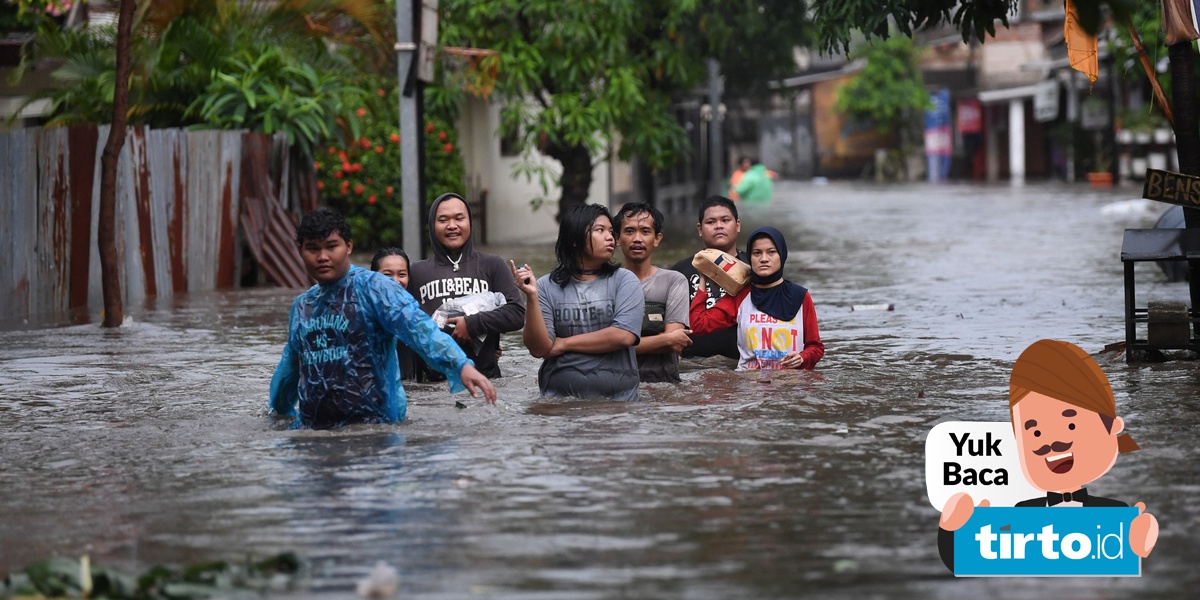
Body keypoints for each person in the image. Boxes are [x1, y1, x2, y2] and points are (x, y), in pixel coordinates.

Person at [936, 339, 1158, 571]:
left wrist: (1141, 546)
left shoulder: (1117, 515)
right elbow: (973, 560)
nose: (1051, 443)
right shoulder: (1022, 513)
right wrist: (951, 531)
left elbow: (1136, 568)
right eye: (1035, 431)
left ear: (1112, 427)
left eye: (1071, 425)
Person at [269, 207, 495, 429]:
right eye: (312, 248)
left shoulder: (376, 289)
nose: (322, 257)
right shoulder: (303, 306)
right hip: (314, 431)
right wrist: (277, 412)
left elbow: (419, 329)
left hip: (376, 428)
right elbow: (290, 366)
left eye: (331, 247)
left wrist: (460, 364)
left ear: (348, 246)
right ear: (300, 250)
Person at [510, 204, 644, 400]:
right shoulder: (546, 286)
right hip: (558, 401)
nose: (611, 238)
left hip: (619, 402)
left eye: (611, 232)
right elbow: (539, 349)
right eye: (600, 230)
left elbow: (623, 336)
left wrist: (563, 344)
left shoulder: (624, 280)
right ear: (574, 239)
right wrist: (531, 297)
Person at [408, 193, 525, 381]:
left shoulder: (492, 265)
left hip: (486, 381)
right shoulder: (415, 272)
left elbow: (517, 314)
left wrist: (472, 324)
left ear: (470, 222)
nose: (452, 225)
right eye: (443, 220)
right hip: (434, 385)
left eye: (459, 218)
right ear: (432, 225)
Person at [689, 227, 824, 370]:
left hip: (790, 386)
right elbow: (698, 325)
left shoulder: (801, 296)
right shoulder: (741, 295)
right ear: (750, 258)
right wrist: (703, 277)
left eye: (771, 252)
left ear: (782, 255)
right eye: (757, 253)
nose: (764, 259)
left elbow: (816, 347)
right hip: (749, 386)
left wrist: (803, 357)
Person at [615, 202, 692, 382]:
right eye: (629, 231)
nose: (637, 239)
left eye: (645, 231)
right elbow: (670, 339)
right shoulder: (607, 283)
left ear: (657, 239)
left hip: (663, 384)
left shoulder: (674, 281)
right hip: (617, 384)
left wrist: (616, 346)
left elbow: (675, 343)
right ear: (617, 238)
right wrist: (664, 339)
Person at [671, 196, 747, 360]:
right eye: (711, 222)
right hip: (692, 366)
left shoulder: (754, 270)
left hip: (741, 365)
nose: (718, 226)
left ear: (738, 225)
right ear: (699, 229)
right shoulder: (679, 273)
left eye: (725, 220)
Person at [370, 247, 415, 381]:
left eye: (401, 274)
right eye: (387, 275)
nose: (395, 281)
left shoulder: (415, 316)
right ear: (373, 278)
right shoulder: (363, 315)